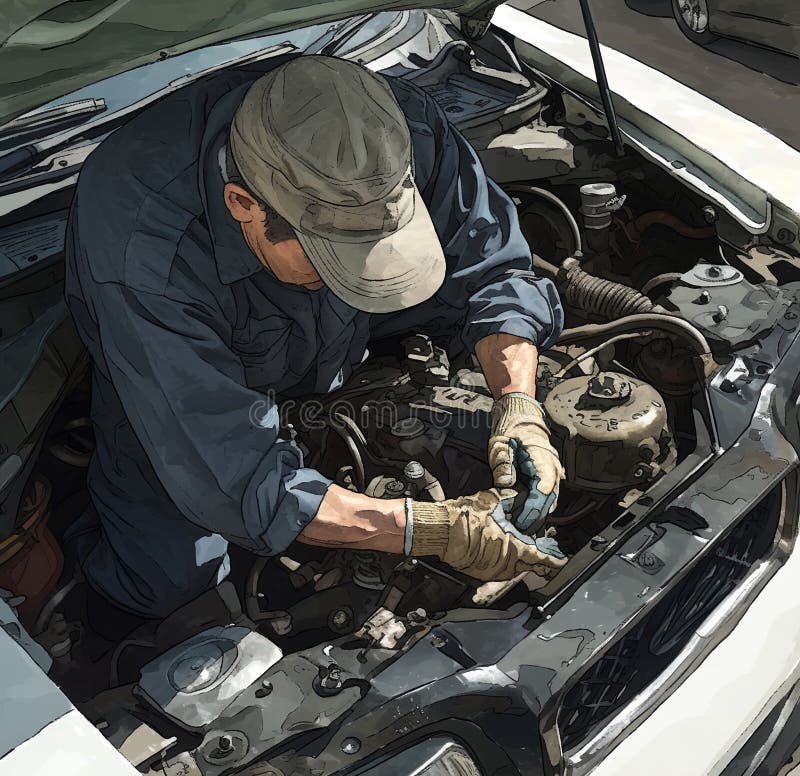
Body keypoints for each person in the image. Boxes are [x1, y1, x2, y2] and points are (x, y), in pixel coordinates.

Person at [64, 54, 567, 624]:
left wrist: (517, 401)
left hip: (348, 335)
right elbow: (240, 479)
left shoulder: (390, 133)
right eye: (332, 261)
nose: (348, 278)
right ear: (243, 206)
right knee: (170, 584)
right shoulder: (144, 249)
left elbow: (493, 268)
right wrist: (426, 530)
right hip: (175, 384)